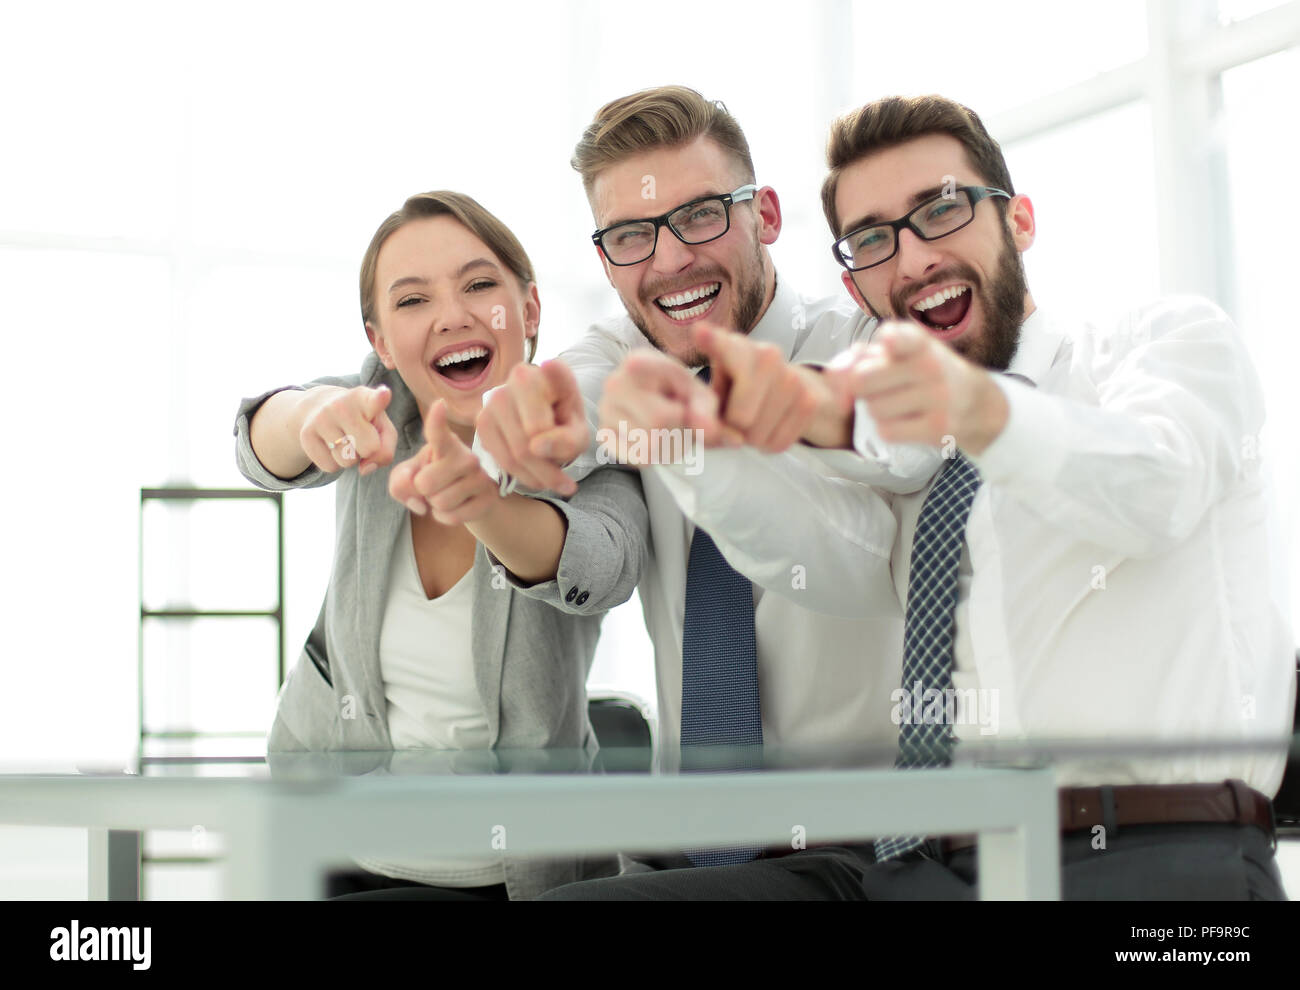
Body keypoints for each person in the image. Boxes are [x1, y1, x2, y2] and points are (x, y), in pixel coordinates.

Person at [690, 93, 1295, 899]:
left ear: (1020, 222)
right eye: (871, 240)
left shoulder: (1161, 346)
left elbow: (1160, 485)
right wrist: (685, 434)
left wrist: (980, 411)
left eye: (940, 210)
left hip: (1161, 863)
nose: (910, 262)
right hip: (945, 872)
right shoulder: (918, 473)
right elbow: (813, 552)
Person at [473, 86, 937, 901]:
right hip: (681, 858)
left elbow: (907, 439)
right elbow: (571, 389)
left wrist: (739, 412)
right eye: (631, 237)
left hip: (867, 851)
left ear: (764, 214)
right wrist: (528, 427)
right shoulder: (627, 350)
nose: (670, 260)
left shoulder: (859, 336)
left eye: (700, 217)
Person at [233, 190, 650, 901]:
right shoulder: (376, 407)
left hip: (518, 873)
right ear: (382, 343)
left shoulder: (584, 432)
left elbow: (603, 564)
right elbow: (256, 439)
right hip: (332, 845)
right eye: (412, 300)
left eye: (479, 285)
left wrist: (485, 503)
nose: (452, 315)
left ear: (530, 310)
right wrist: (306, 415)